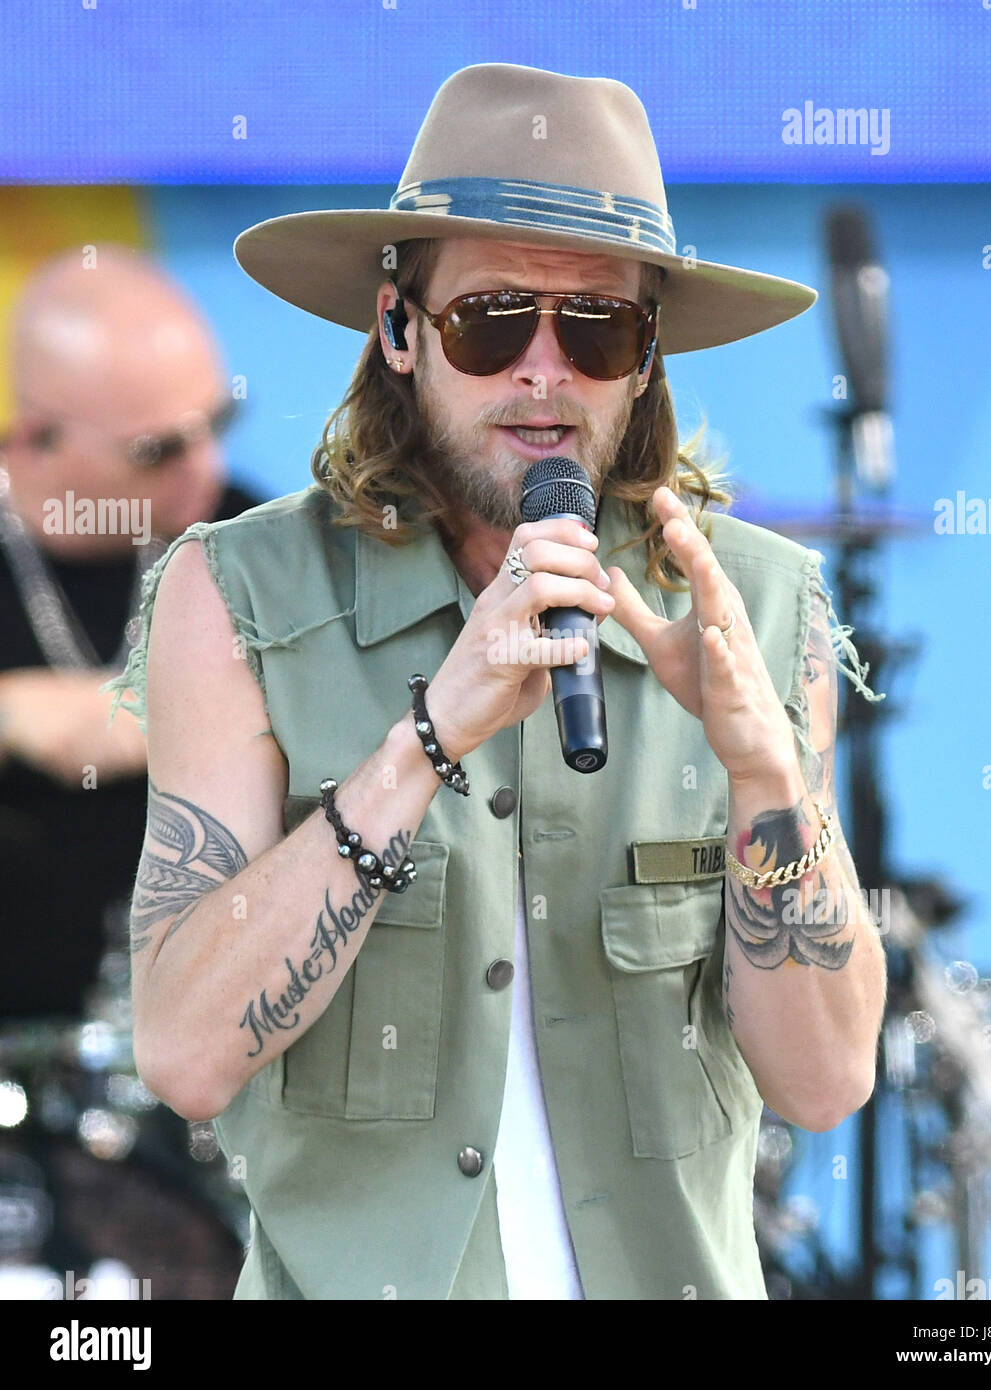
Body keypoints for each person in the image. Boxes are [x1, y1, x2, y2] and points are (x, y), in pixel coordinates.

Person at [109, 63, 887, 1300]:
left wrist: (762, 771)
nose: (541, 369)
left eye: (595, 327)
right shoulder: (238, 595)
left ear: (643, 358)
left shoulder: (759, 603)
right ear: (400, 330)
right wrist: (421, 742)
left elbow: (828, 1080)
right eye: (489, 320)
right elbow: (187, 1054)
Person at [0, 243, 263, 1020]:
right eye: (158, 449)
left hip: (202, 1029)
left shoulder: (247, 534)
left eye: (218, 423)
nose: (206, 468)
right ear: (34, 440)